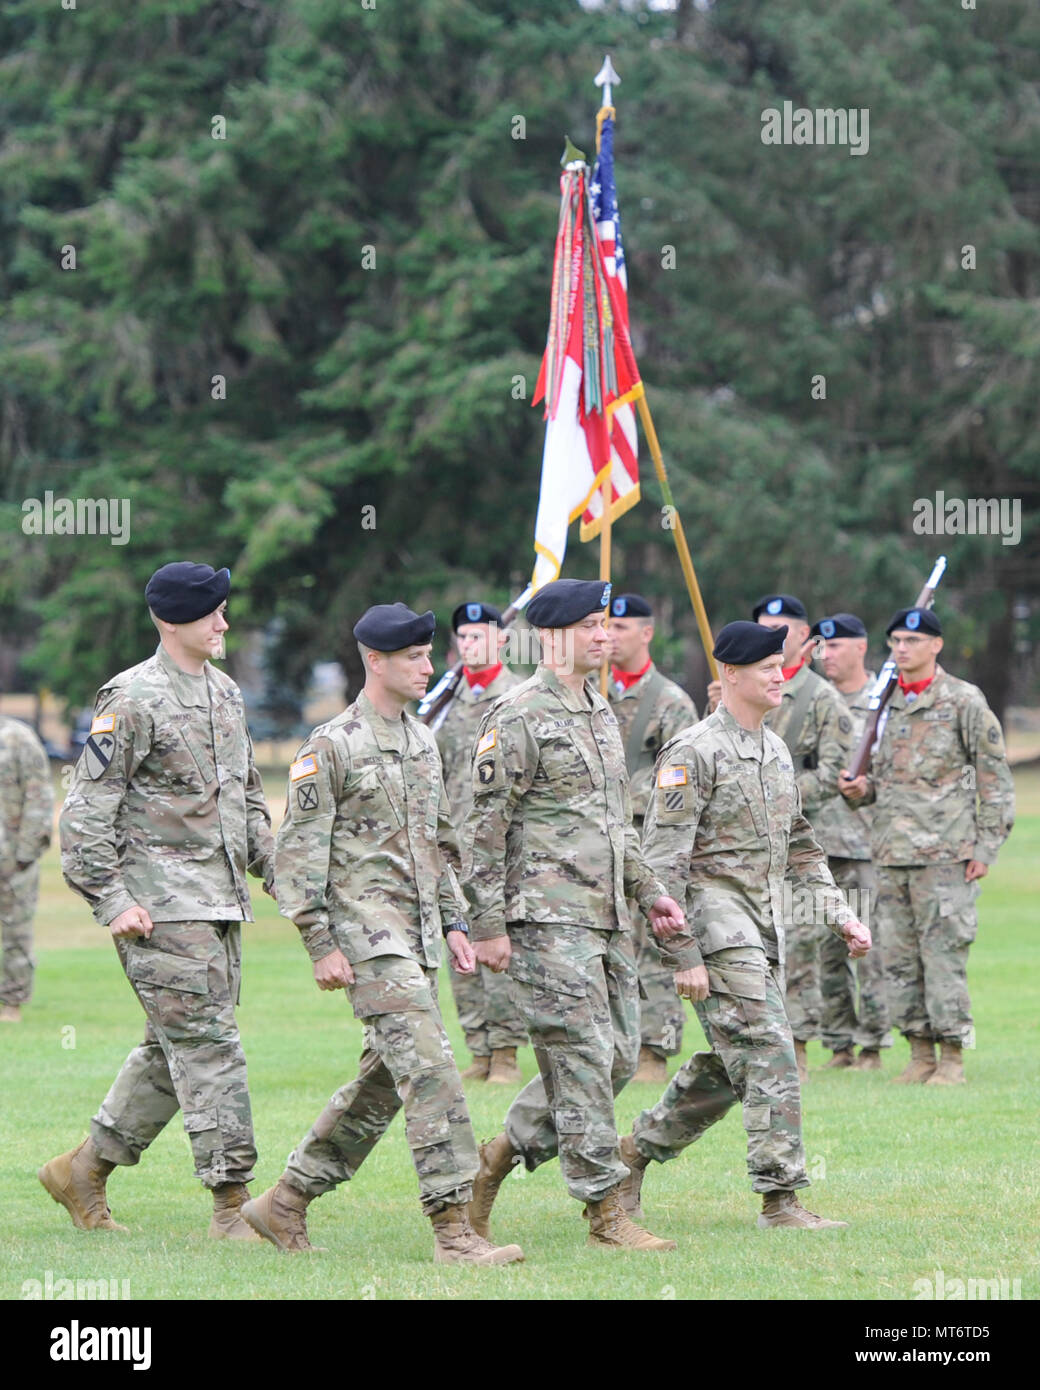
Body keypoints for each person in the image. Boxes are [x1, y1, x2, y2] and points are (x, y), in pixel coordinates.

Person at [243, 603, 523, 1265]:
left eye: (429, 655)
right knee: (432, 1071)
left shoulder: (422, 738)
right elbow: (298, 856)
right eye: (415, 658)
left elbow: (439, 845)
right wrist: (320, 942)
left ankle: (285, 1201)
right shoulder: (332, 745)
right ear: (376, 660)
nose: (430, 667)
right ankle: (454, 1231)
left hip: (419, 938)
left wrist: (457, 922)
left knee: (379, 1086)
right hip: (365, 939)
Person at [40, 562, 274, 1239]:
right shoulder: (132, 698)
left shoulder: (226, 694)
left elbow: (248, 799)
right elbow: (85, 812)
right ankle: (233, 1208)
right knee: (211, 1048)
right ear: (172, 621)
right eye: (211, 613)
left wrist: (284, 873)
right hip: (158, 908)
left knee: (169, 1050)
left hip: (221, 904)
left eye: (225, 610)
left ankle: (83, 1169)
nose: (224, 623)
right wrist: (112, 900)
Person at [618, 621, 871, 1230]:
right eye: (765, 668)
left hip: (765, 926)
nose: (779, 675)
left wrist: (839, 914)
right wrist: (683, 955)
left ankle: (630, 1153)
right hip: (714, 926)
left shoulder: (774, 750)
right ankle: (780, 1200)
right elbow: (662, 866)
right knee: (772, 1049)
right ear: (731, 674)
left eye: (780, 665)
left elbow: (803, 849)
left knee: (737, 1064)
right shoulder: (693, 752)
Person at [462, 578, 685, 1252]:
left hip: (609, 914)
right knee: (582, 1055)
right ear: (552, 634)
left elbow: (619, 824)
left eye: (609, 623)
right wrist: (489, 925)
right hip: (545, 918)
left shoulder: (598, 709)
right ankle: (604, 1212)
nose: (604, 635)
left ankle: (496, 1156)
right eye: (591, 624)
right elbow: (481, 830)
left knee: (615, 1057)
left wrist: (650, 892)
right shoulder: (518, 714)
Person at [839, 607, 1014, 1084]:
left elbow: (994, 779)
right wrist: (862, 790)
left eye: (912, 640)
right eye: (895, 640)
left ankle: (953, 1056)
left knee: (944, 958)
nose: (901, 648)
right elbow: (886, 781)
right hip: (891, 854)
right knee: (898, 958)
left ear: (936, 645)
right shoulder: (887, 701)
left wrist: (985, 848)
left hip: (946, 855)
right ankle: (919, 1053)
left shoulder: (963, 701)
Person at [750, 594, 854, 1081]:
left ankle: (800, 1048)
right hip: (748, 844)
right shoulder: (745, 690)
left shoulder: (821, 698)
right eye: (763, 629)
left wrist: (775, 794)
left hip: (800, 839)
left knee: (804, 948)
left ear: (805, 638)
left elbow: (835, 770)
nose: (772, 638)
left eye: (782, 629)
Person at [606, 593, 698, 1084]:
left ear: (646, 633)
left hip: (650, 838)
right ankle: (613, 1045)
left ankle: (653, 1051)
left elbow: (680, 785)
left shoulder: (670, 702)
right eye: (606, 627)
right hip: (602, 840)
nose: (611, 636)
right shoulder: (592, 694)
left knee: (656, 944)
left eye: (622, 628)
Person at [435, 601, 527, 1085]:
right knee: (459, 944)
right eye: (464, 637)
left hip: (499, 846)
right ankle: (480, 1050)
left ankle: (507, 1052)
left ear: (504, 640)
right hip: (452, 848)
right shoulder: (445, 701)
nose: (471, 645)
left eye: (481, 636)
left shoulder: (515, 697)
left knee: (497, 944)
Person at [810, 613, 891, 1069]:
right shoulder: (811, 701)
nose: (826, 655)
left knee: (867, 948)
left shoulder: (883, 701)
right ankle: (837, 1042)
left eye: (836, 646)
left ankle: (873, 1044)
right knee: (825, 950)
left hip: (863, 841)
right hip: (816, 843)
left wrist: (870, 786)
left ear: (860, 647)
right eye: (821, 647)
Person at [0, 712, 54, 1023]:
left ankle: (11, 1004)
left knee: (16, 932)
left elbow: (40, 794)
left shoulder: (18, 738)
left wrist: (27, 850)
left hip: (12, 856)